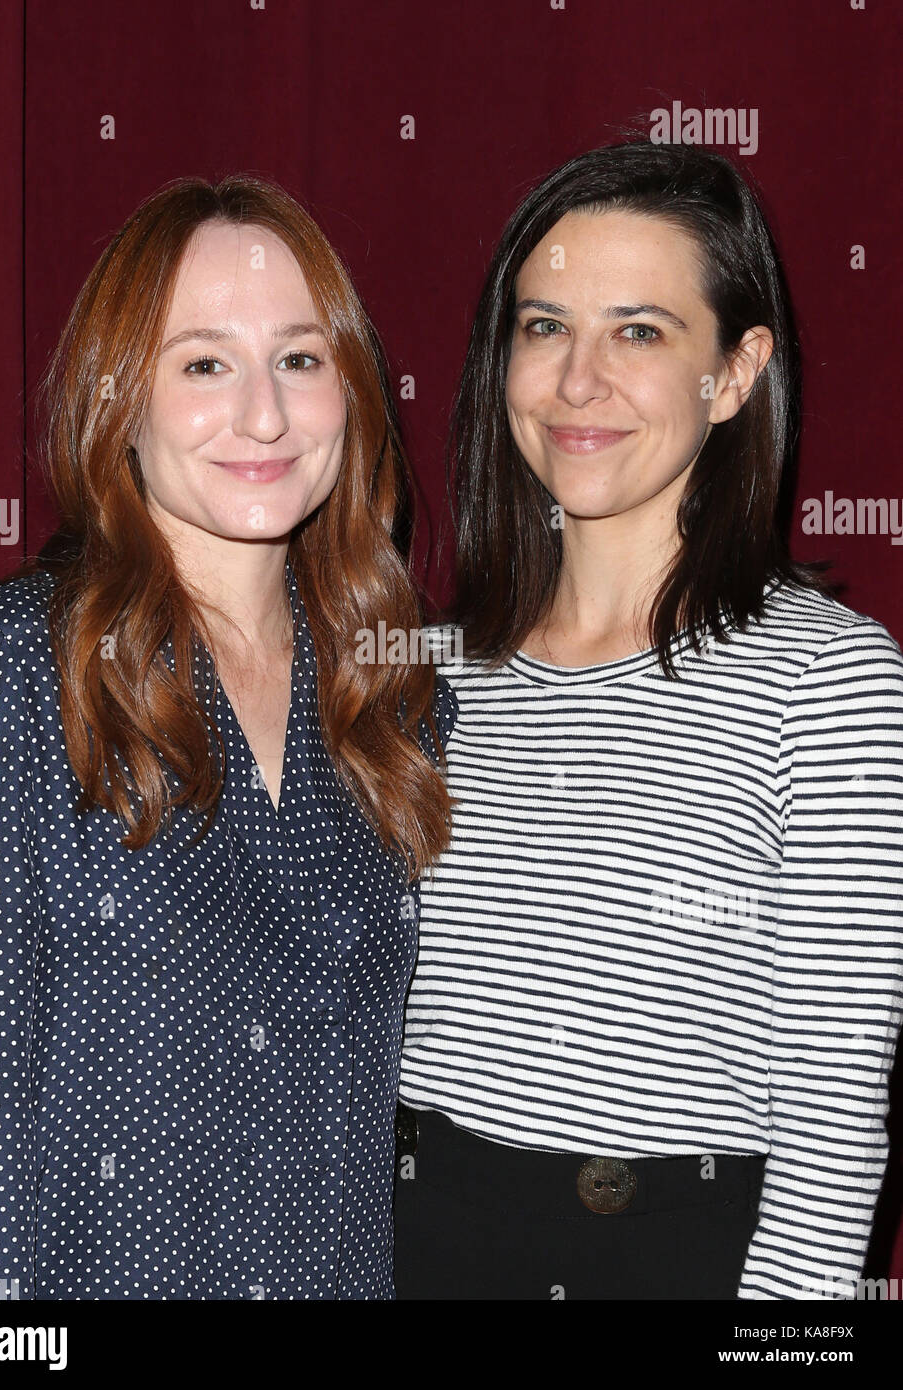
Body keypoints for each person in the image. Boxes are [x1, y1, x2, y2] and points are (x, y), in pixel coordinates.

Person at [0, 175, 454, 1300]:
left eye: (301, 360)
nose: (263, 415)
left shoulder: (390, 694)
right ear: (118, 395)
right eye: (205, 362)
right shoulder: (2, 674)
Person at [395, 140, 903, 1301]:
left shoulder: (829, 681)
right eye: (542, 327)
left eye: (638, 331)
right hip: (405, 1247)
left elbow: (833, 1119)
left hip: (673, 1263)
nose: (578, 381)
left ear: (734, 374)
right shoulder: (422, 676)